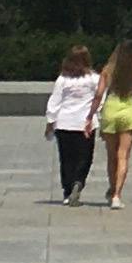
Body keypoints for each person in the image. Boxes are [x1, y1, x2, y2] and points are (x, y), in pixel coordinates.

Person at [46, 43, 102, 203]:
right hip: (85, 123)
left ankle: (67, 190)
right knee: (84, 157)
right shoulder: (94, 79)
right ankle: (79, 181)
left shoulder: (63, 79)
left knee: (66, 158)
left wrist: (50, 122)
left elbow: (55, 101)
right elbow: (100, 99)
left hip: (64, 122)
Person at [97, 42, 132, 207]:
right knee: (123, 155)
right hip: (129, 109)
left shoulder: (107, 70)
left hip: (111, 109)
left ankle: (111, 189)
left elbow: (99, 93)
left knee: (111, 156)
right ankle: (117, 196)